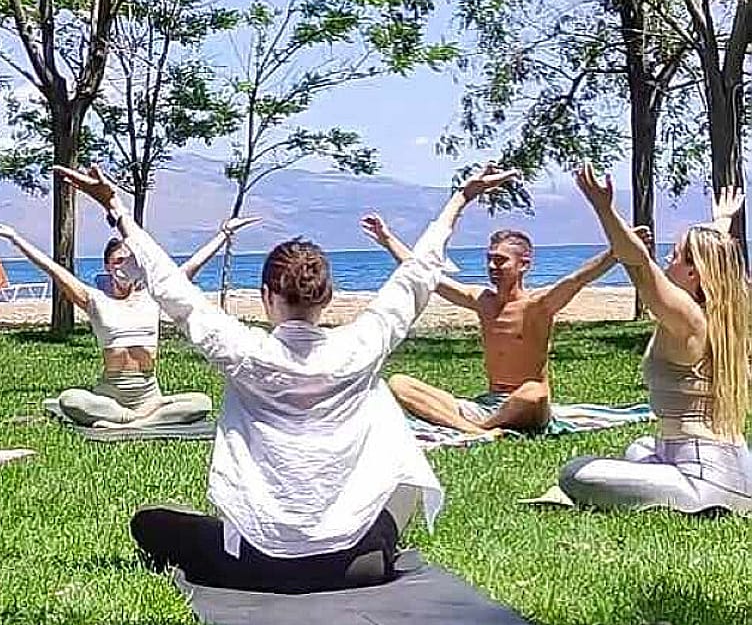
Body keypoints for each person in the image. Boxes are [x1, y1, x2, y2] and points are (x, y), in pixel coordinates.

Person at [56, 162, 517, 593]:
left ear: (264, 296)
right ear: (328, 296)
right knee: (404, 486)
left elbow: (173, 290)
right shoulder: (361, 345)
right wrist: (460, 198)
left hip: (259, 564)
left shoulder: (242, 350)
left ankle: (306, 555)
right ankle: (363, 554)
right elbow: (416, 277)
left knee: (150, 523)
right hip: (352, 557)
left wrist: (115, 207)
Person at [554, 166, 752, 513]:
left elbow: (639, 264)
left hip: (702, 481)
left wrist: (603, 208)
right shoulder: (729, 315)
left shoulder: (688, 317)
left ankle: (698, 500)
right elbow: (715, 258)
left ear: (694, 273)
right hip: (737, 470)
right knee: (640, 447)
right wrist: (720, 222)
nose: (667, 262)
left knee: (575, 473)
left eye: (674, 256)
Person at [362, 214, 644, 434]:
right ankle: (475, 430)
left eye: (500, 261)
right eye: (489, 261)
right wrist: (387, 239)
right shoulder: (481, 300)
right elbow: (426, 276)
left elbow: (579, 278)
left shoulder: (539, 305)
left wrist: (615, 252)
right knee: (399, 383)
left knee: (536, 390)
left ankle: (478, 429)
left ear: (524, 264)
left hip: (527, 406)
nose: (493, 268)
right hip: (488, 404)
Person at [0, 218, 259, 429]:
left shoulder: (153, 296)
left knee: (203, 402)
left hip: (151, 398)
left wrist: (224, 234)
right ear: (107, 266)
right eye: (118, 261)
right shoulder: (95, 300)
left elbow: (191, 267)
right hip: (110, 399)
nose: (124, 266)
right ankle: (135, 420)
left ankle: (137, 423)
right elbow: (55, 271)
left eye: (130, 260)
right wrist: (16, 240)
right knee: (70, 400)